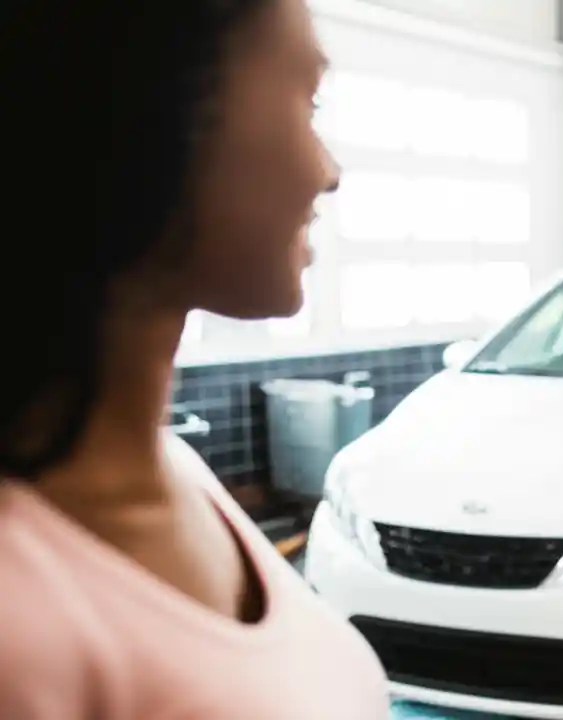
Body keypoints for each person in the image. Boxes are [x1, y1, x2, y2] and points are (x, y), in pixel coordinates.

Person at [0, 1, 390, 717]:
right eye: (309, 103)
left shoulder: (179, 470)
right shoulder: (19, 622)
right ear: (149, 114)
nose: (327, 172)